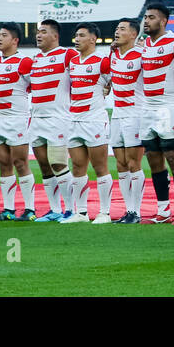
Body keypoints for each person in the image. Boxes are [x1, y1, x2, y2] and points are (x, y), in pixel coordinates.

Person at [139, 3, 174, 223]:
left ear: (163, 21)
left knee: (173, 156)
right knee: (153, 158)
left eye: (151, 17)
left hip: (169, 106)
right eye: (145, 17)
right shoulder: (143, 45)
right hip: (147, 107)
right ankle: (163, 210)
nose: (146, 21)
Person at [0, 23, 36, 221]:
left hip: (17, 119)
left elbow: (36, 85)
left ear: (15, 40)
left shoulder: (24, 61)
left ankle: (30, 209)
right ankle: (8, 209)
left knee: (20, 162)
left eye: (4, 35)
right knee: (4, 164)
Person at [64, 23, 112, 224]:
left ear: (93, 39)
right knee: (77, 167)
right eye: (76, 35)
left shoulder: (103, 61)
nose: (77, 39)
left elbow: (114, 81)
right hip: (74, 119)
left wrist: (107, 89)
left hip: (94, 119)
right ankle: (81, 212)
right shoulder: (72, 61)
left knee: (100, 166)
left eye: (82, 35)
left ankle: (105, 212)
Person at [28, 19, 74, 222]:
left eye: (43, 31)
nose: (38, 35)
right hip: (37, 119)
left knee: (58, 163)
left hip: (58, 118)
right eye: (38, 31)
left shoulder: (67, 55)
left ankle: (72, 209)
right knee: (44, 166)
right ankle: (54, 210)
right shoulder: (35, 59)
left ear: (55, 36)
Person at [106, 17, 146, 224]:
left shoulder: (141, 54)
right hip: (118, 114)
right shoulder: (113, 54)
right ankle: (128, 210)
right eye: (116, 28)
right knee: (121, 164)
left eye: (122, 29)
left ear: (133, 34)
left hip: (136, 113)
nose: (117, 32)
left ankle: (136, 211)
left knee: (133, 163)